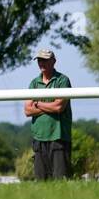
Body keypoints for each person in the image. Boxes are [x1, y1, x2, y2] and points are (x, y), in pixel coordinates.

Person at [25, 48, 73, 180]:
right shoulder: (34, 83)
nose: (42, 63)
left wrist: (38, 104)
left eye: (45, 60)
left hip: (58, 138)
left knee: (60, 182)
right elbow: (27, 110)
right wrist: (48, 106)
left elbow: (58, 106)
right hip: (39, 139)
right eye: (39, 60)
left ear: (54, 61)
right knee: (41, 184)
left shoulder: (62, 80)